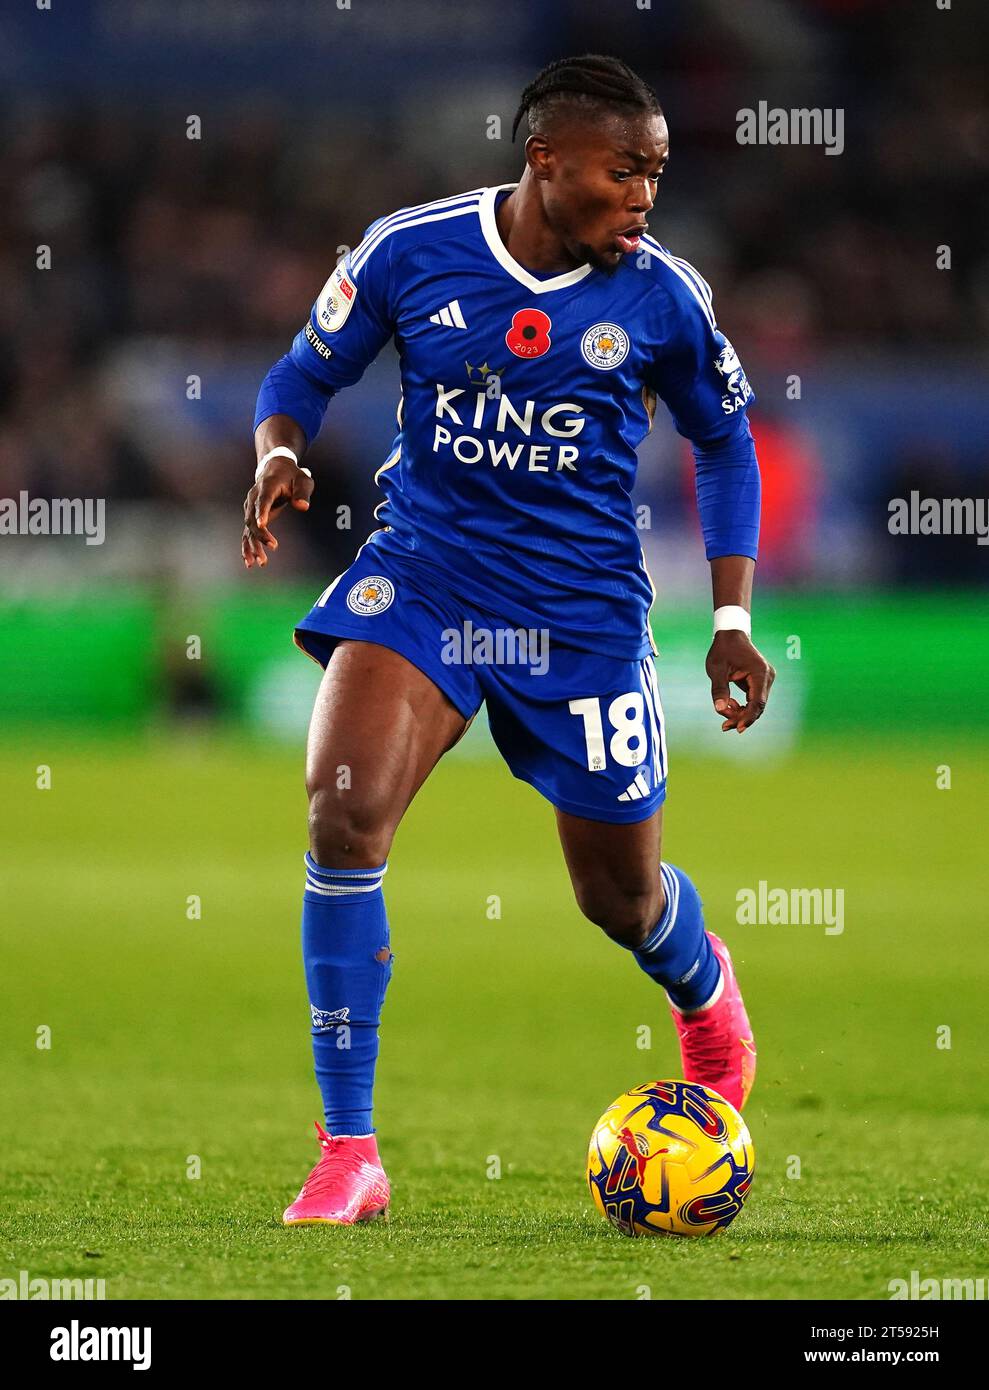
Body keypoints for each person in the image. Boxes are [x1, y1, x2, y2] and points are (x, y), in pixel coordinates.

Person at [243, 54, 775, 1227]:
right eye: (623, 170)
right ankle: (349, 1152)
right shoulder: (408, 250)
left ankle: (704, 993)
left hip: (579, 617)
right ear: (546, 161)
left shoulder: (660, 297)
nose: (644, 194)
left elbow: (724, 442)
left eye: (656, 173)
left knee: (618, 901)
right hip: (424, 577)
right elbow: (299, 371)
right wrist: (279, 446)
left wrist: (729, 619)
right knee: (341, 811)